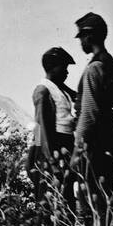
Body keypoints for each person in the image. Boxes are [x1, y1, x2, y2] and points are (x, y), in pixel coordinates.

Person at [71, 12, 113, 211]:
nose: (81, 42)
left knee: (90, 201)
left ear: (89, 37)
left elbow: (89, 112)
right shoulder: (111, 64)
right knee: (104, 194)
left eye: (82, 37)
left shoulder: (94, 68)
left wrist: (78, 148)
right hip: (109, 134)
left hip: (95, 141)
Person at [26, 47, 79, 203]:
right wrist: (52, 161)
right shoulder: (43, 91)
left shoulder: (59, 89)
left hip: (63, 146)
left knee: (65, 197)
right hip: (51, 148)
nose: (67, 72)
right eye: (64, 68)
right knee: (48, 200)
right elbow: (40, 128)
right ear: (53, 68)